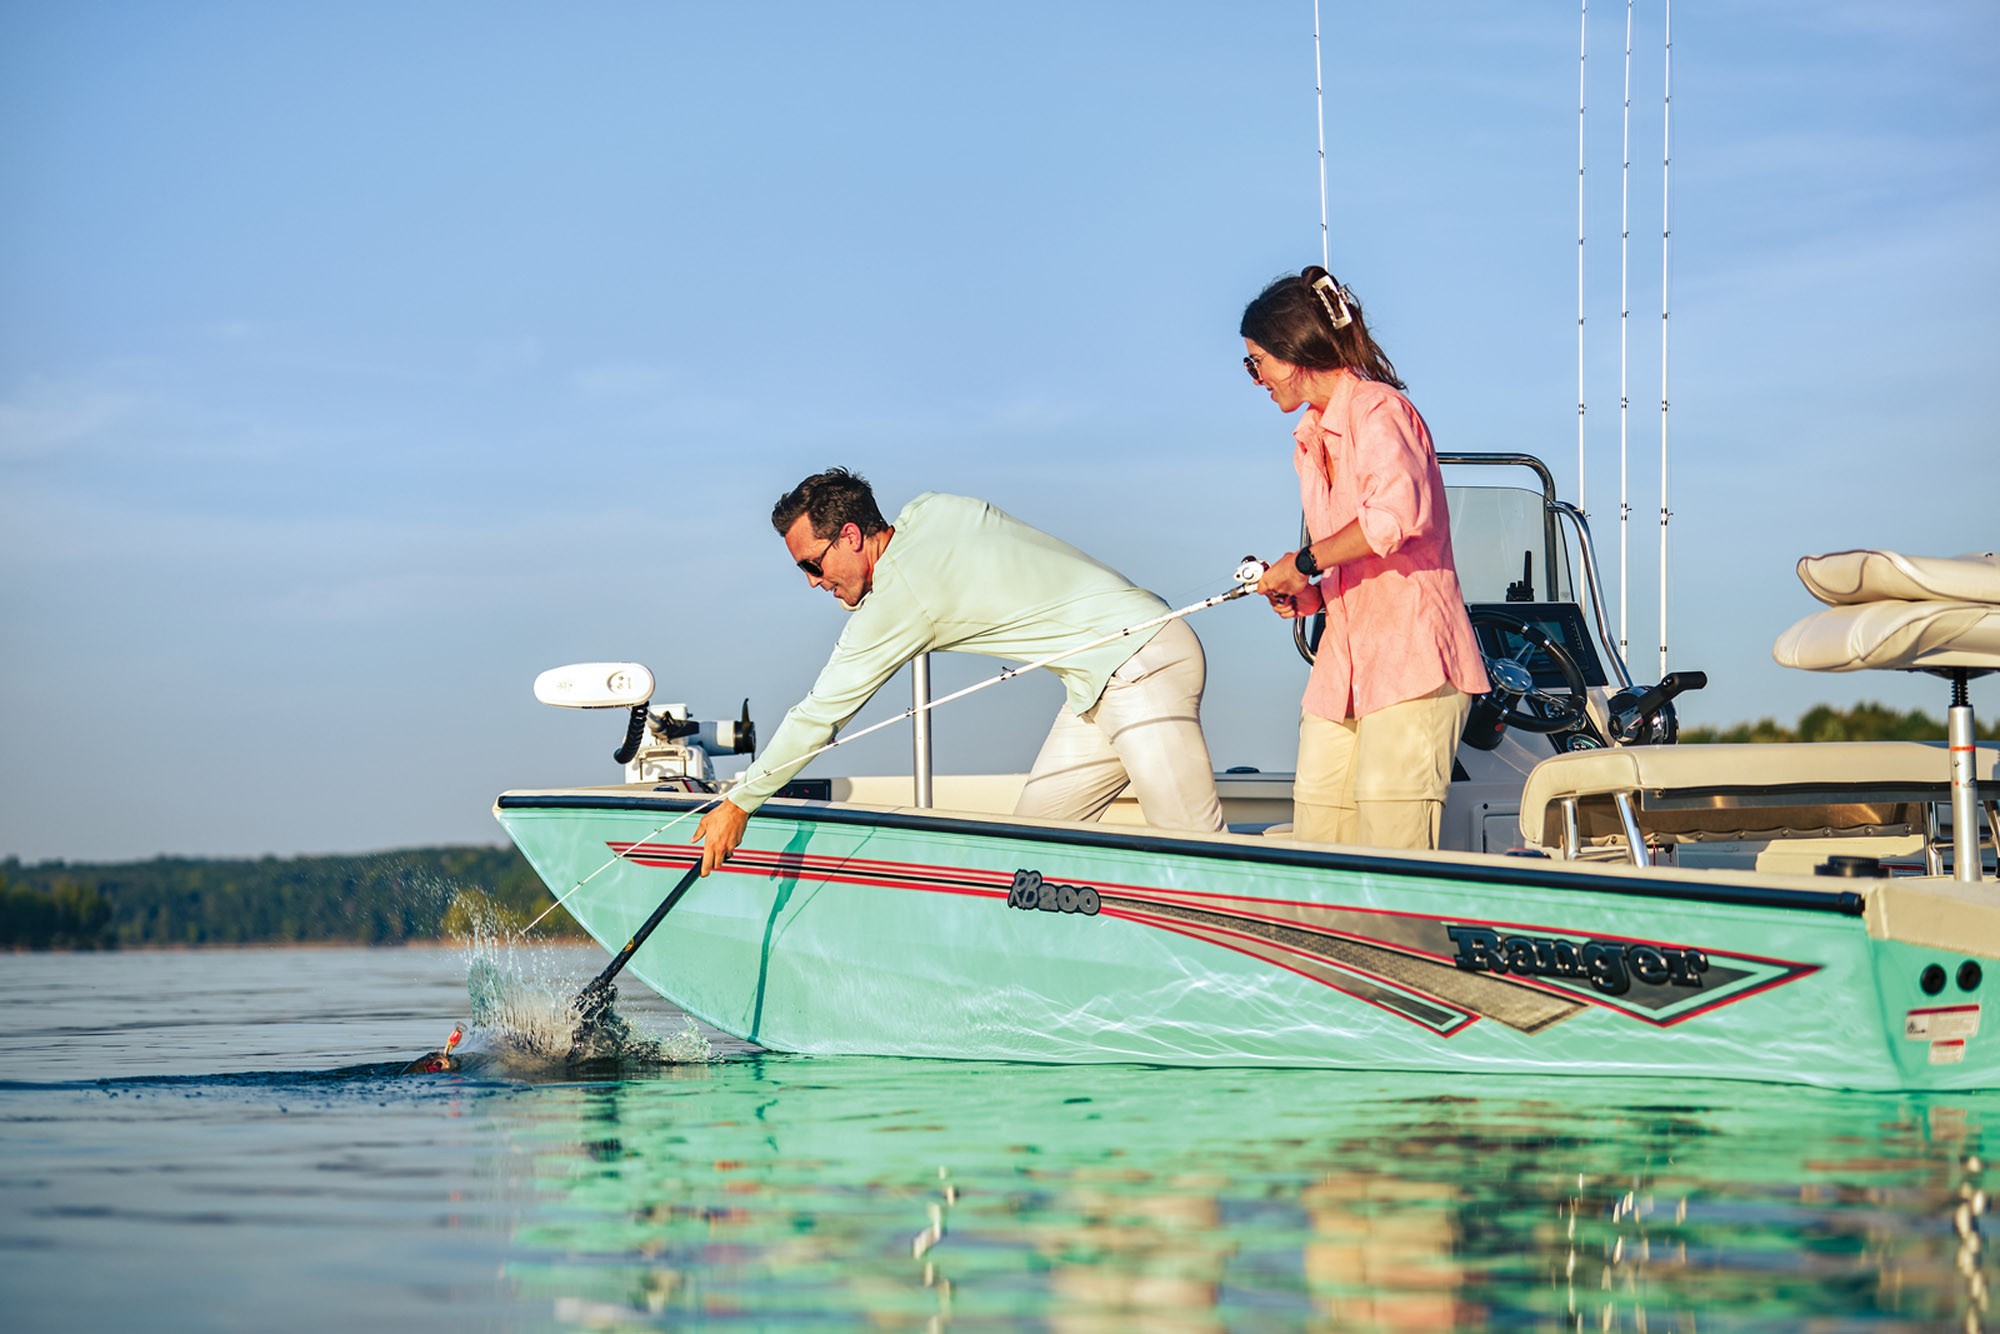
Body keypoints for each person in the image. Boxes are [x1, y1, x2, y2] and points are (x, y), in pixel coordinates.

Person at [692, 468, 1225, 874]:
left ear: (851, 535)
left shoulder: (900, 597)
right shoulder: (929, 510)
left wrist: (740, 802)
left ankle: (1253, 963)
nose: (813, 581)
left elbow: (819, 714)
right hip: (1097, 682)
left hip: (1141, 662)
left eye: (813, 564)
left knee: (1197, 851)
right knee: (1032, 857)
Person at [1241, 267, 1490, 851]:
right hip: (1342, 672)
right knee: (1317, 841)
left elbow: (1392, 518)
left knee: (1392, 853)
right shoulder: (1309, 440)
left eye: (1256, 363)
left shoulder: (1381, 411)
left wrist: (1304, 562)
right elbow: (1346, 554)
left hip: (1412, 664)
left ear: (1292, 352)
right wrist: (1307, 590)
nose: (1256, 379)